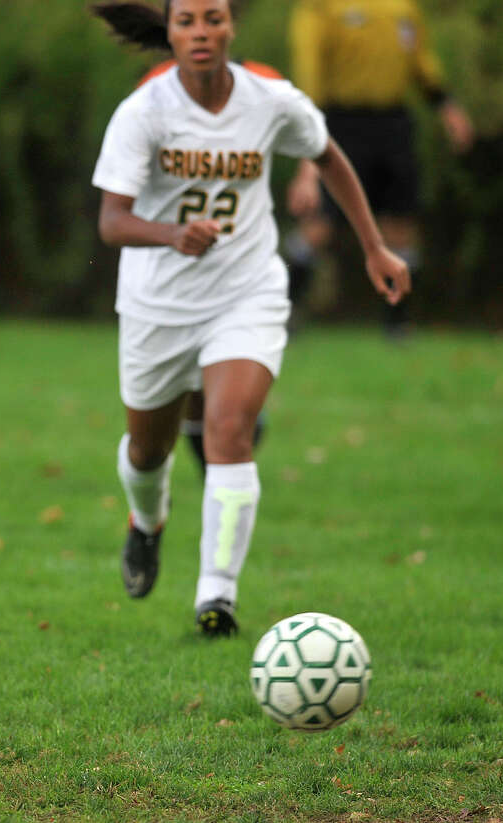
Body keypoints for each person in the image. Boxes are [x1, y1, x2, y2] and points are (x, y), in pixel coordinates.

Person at [89, 0, 409, 635]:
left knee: (230, 430)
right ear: (170, 31)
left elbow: (329, 156)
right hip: (158, 304)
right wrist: (172, 233)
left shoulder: (270, 99)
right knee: (148, 451)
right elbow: (112, 221)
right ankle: (147, 522)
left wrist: (374, 246)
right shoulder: (144, 111)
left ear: (232, 26)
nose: (201, 32)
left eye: (213, 18)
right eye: (186, 21)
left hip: (247, 291)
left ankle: (218, 597)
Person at [284, 0, 473, 337]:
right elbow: (310, 72)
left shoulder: (403, 7)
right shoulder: (320, 7)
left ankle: (397, 323)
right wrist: (308, 148)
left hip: (393, 123)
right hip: (341, 122)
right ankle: (284, 309)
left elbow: (421, 61)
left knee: (400, 225)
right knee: (321, 225)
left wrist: (447, 107)